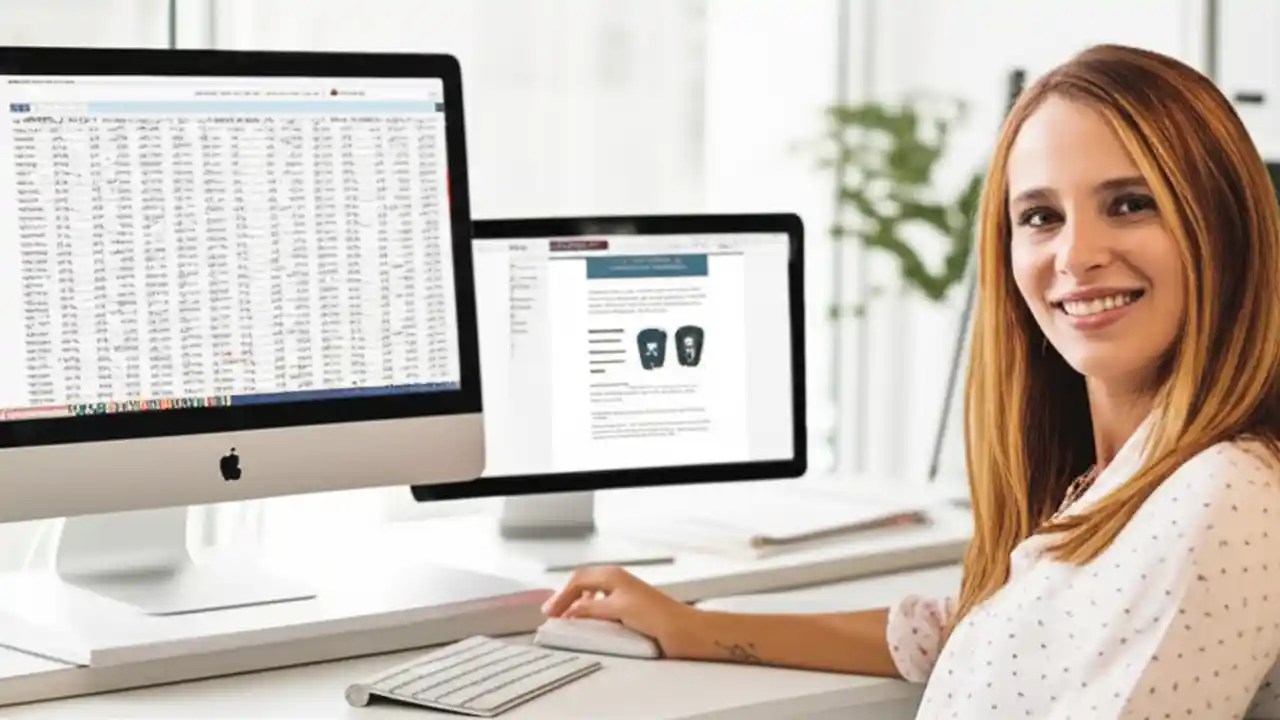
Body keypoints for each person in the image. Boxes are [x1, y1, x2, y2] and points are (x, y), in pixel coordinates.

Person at [541, 43, 1280, 718]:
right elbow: (968, 626)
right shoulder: (1113, 481)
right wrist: (691, 626)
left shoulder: (1225, 492)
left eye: (1130, 204)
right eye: (1041, 216)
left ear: (1223, 222)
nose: (1076, 254)